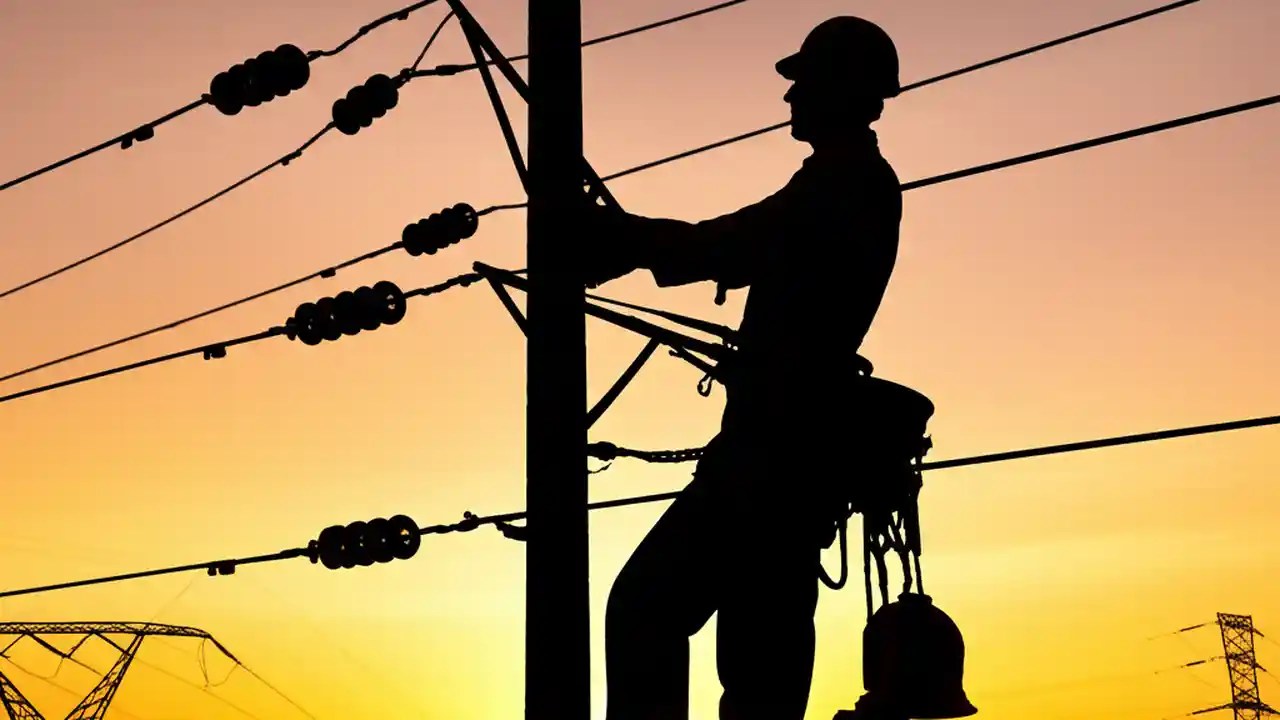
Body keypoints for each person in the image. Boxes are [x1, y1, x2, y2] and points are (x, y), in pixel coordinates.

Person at [581, 16, 906, 720]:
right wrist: (637, 243)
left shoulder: (848, 184)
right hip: (789, 461)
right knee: (758, 661)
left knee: (650, 610)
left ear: (841, 91)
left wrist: (630, 241)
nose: (789, 101)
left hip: (774, 461)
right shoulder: (844, 183)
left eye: (803, 85)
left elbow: (740, 241)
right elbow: (744, 243)